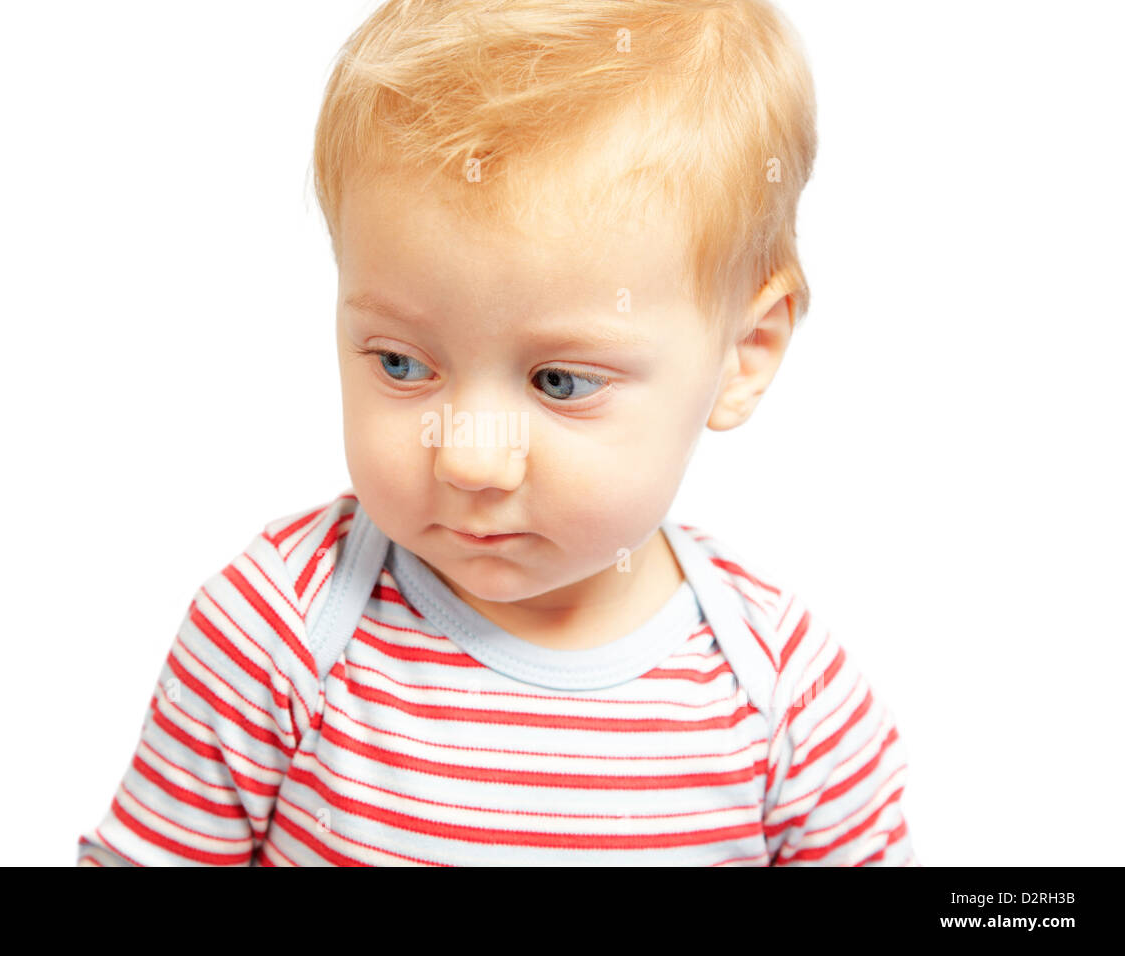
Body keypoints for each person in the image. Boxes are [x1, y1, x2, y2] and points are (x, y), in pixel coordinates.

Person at [77, 0, 916, 866]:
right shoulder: (274, 638)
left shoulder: (790, 701)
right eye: (403, 364)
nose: (471, 457)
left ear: (744, 354)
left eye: (559, 382)